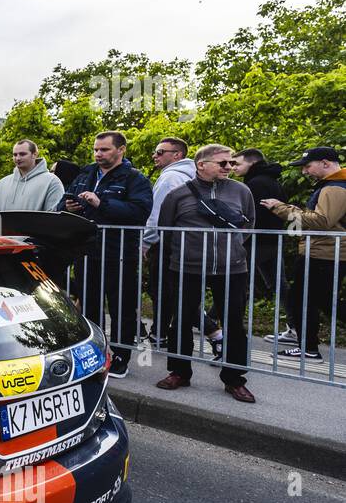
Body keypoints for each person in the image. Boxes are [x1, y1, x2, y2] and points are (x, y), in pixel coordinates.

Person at [154, 145, 257, 403]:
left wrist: (230, 251)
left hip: (232, 268)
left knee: (234, 322)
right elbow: (165, 228)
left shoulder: (241, 191)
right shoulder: (178, 195)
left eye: (232, 163)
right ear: (201, 164)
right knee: (181, 319)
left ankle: (234, 379)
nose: (229, 168)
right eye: (223, 163)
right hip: (187, 266)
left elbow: (249, 225)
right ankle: (179, 371)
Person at [64, 131, 153, 378]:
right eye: (96, 150)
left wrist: (101, 203)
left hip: (119, 254)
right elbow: (65, 202)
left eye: (104, 150)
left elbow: (139, 212)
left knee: (121, 308)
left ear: (121, 150)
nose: (98, 154)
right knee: (90, 307)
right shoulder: (86, 173)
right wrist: (68, 206)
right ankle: (95, 354)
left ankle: (121, 358)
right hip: (86, 252)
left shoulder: (135, 179)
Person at [262, 146, 346, 362]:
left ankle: (308, 349)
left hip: (322, 255)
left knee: (305, 301)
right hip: (325, 253)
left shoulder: (334, 188)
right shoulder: (332, 185)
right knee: (319, 302)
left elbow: (321, 222)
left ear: (325, 163)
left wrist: (280, 208)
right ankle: (308, 348)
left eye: (307, 166)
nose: (304, 172)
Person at [141, 139, 219, 352]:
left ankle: (215, 334)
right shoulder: (195, 176)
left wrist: (146, 243)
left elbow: (156, 215)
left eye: (159, 151)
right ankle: (159, 333)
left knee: (169, 292)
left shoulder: (169, 177)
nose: (154, 156)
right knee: (172, 291)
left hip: (167, 244)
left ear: (177, 155)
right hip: (192, 244)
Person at [232, 149, 296, 342]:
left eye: (237, 164)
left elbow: (251, 215)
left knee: (236, 280)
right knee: (279, 285)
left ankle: (209, 320)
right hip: (272, 240)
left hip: (256, 242)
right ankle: (297, 327)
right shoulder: (272, 181)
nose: (233, 168)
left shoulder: (254, 184)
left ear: (251, 164)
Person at [0, 140, 65, 212]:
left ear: (34, 155)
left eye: (22, 154)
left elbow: (55, 217)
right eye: (15, 155)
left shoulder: (52, 182)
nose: (17, 158)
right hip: (3, 224)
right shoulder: (2, 183)